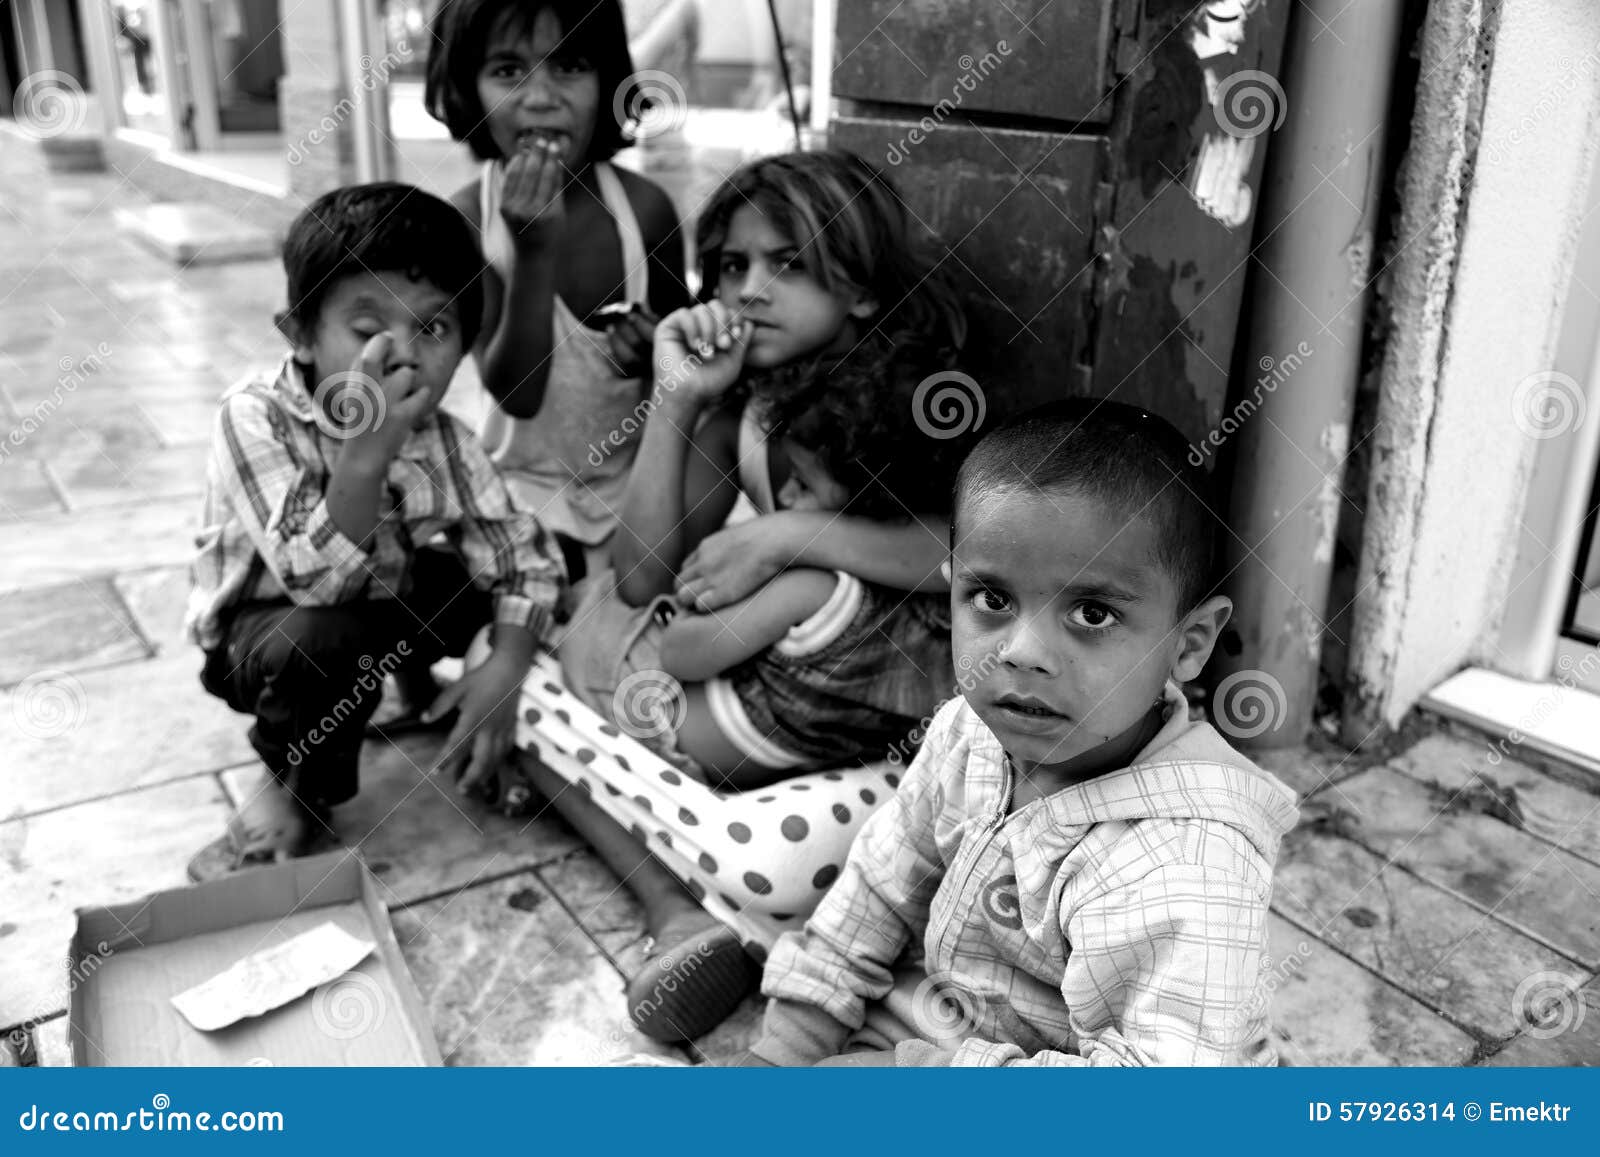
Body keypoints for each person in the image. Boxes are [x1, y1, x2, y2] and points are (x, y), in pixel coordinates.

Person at [530, 149, 970, 1044]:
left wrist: (783, 534)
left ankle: (710, 913)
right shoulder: (749, 405)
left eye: (788, 262)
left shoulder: (906, 398)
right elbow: (646, 572)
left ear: (861, 289)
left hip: (863, 700)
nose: (751, 290)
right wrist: (676, 402)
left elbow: (962, 557)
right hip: (788, 679)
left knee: (576, 658)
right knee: (605, 611)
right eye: (732, 266)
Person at [734, 399, 1301, 1066]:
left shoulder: (1185, 860)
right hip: (952, 1018)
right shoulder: (968, 733)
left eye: (1092, 611)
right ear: (951, 594)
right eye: (993, 600)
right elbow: (879, 886)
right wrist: (785, 1051)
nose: (1022, 652)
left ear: (1191, 641)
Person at [183, 183, 565, 881]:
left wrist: (505, 667)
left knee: (521, 589)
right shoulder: (254, 415)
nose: (403, 354)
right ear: (299, 332)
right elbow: (311, 578)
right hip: (267, 631)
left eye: (434, 327)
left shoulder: (448, 439)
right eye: (368, 328)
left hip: (382, 600)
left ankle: (448, 701)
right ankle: (291, 775)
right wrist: (367, 452)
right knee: (324, 638)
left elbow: (524, 562)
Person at [424, 0, 689, 587]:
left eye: (568, 66)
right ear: (468, 90)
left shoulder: (645, 212)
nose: (540, 96)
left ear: (610, 81)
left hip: (639, 488)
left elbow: (690, 375)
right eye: (507, 70)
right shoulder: (468, 221)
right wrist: (534, 250)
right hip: (521, 492)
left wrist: (656, 356)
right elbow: (517, 393)